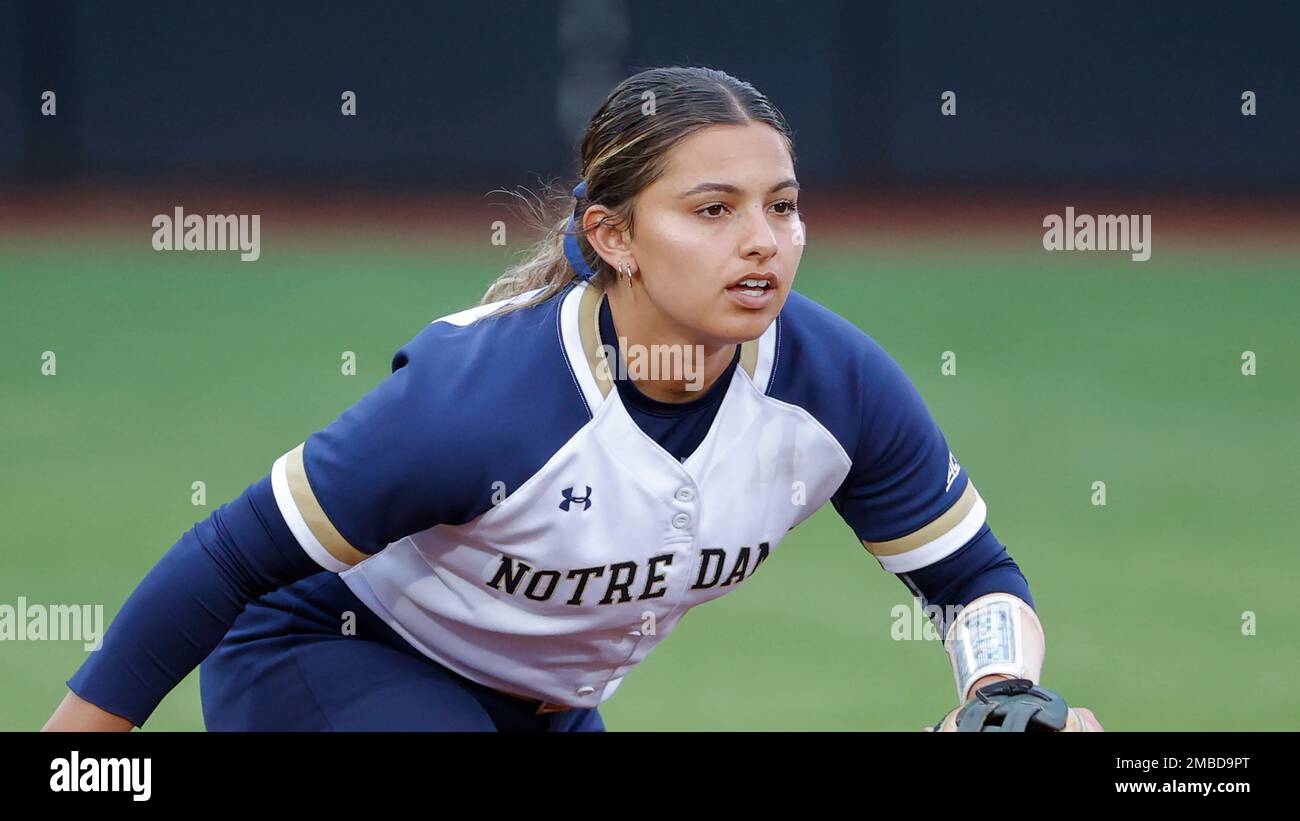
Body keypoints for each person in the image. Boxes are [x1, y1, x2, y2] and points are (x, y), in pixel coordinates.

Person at [43, 65, 1101, 732]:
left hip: (548, 710)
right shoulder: (480, 401)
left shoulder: (838, 387)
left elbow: (971, 576)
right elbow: (229, 556)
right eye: (713, 209)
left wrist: (1000, 692)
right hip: (332, 655)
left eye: (782, 206)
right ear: (613, 235)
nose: (763, 241)